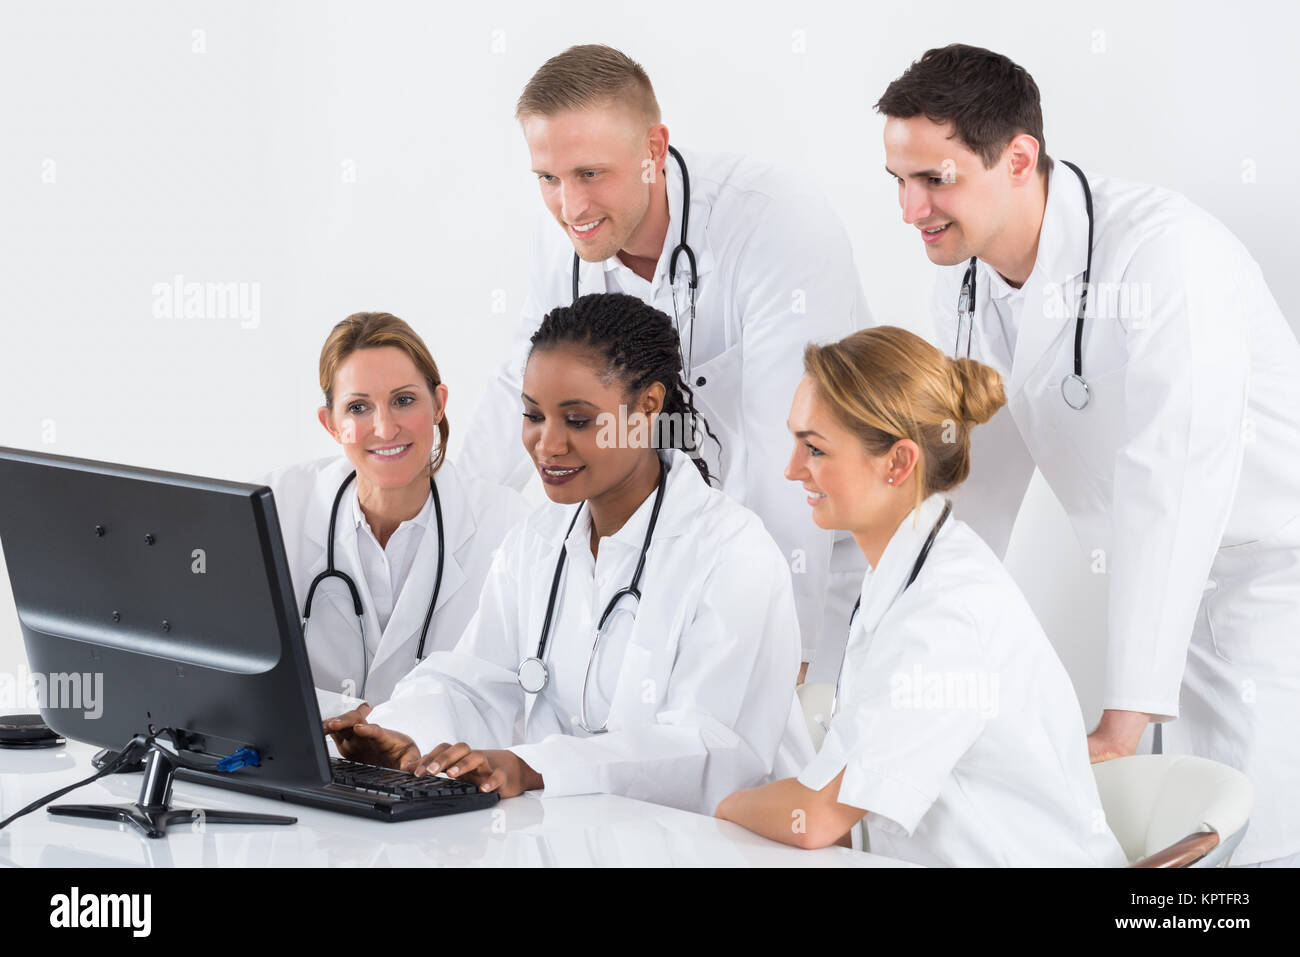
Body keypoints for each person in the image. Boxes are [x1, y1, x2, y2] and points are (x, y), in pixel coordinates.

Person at [877, 43, 1300, 866]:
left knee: (1245, 844)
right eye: (897, 180)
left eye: (934, 178)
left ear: (1019, 158)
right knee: (1153, 845)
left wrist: (1125, 713)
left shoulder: (1163, 255)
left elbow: (1172, 478)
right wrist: (908, 639)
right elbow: (971, 488)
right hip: (1154, 587)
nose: (909, 208)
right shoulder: (964, 280)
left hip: (1268, 582)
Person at [460, 43, 871, 682]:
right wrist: (435, 509)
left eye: (591, 174)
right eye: (548, 178)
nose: (569, 207)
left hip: (819, 559)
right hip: (674, 560)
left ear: (654, 149)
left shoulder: (774, 224)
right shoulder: (568, 236)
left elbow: (785, 446)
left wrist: (775, 644)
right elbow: (522, 378)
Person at [323, 294, 810, 815]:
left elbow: (710, 749)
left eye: (577, 420)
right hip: (583, 837)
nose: (546, 444)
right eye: (533, 415)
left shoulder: (733, 553)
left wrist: (534, 768)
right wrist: (398, 732)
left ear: (647, 408)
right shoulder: (537, 541)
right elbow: (472, 681)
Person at [716, 327, 1127, 866]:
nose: (791, 469)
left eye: (814, 448)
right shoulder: (913, 569)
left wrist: (723, 806)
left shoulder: (946, 612)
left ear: (898, 463)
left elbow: (817, 819)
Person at [264, 311, 528, 709]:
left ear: (439, 405)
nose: (385, 428)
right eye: (357, 408)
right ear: (330, 424)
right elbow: (239, 668)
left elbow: (518, 701)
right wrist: (347, 717)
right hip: (308, 764)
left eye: (404, 401)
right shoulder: (279, 505)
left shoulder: (510, 524)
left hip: (440, 768)